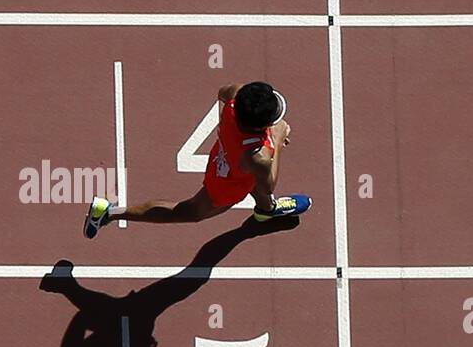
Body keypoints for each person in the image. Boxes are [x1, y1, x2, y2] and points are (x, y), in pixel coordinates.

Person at [83, 81, 310, 237]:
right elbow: (269, 183)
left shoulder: (235, 96)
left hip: (226, 157)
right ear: (262, 125)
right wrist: (277, 140)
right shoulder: (259, 157)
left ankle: (266, 210)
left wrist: (267, 137)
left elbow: (222, 91)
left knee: (258, 189)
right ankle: (108, 213)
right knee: (188, 212)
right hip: (227, 184)